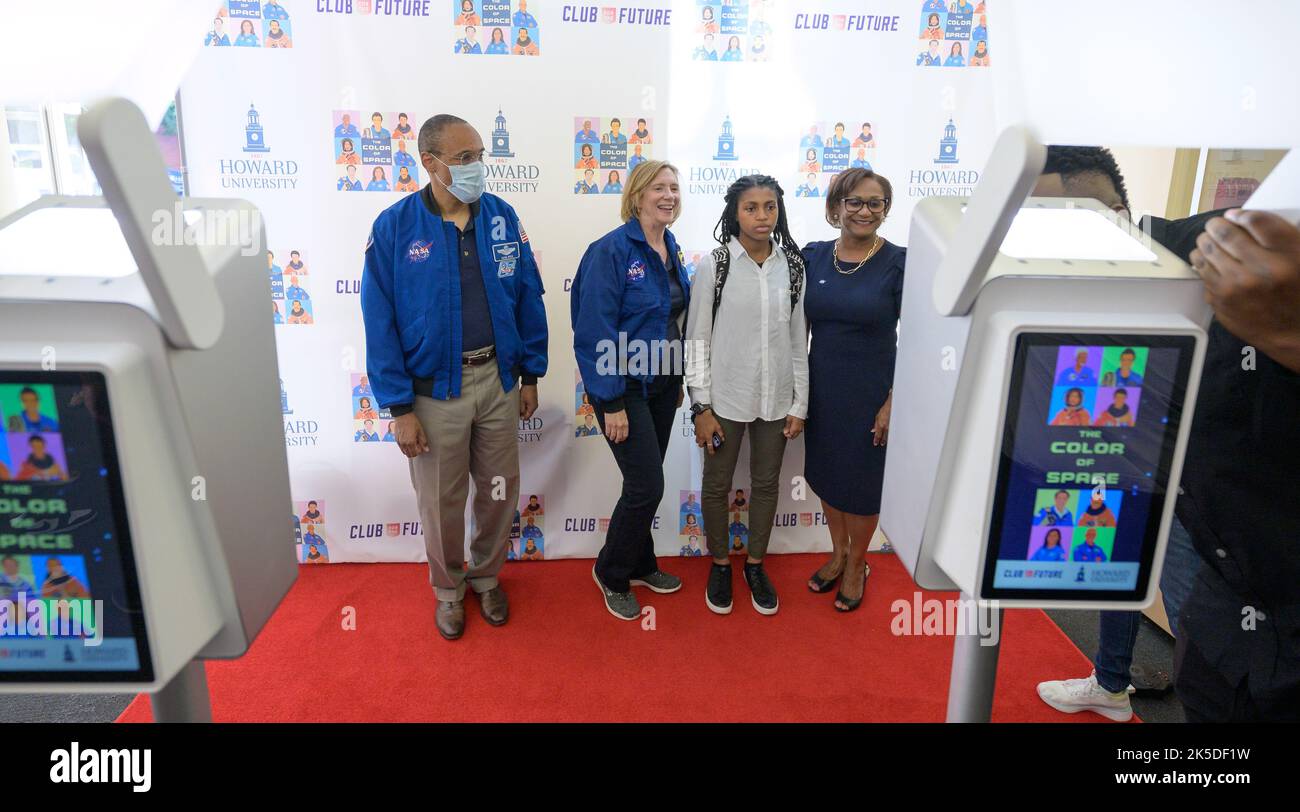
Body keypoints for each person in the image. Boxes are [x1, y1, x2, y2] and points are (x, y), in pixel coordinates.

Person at [1028, 147, 1222, 722]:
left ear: (1110, 210)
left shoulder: (1200, 244)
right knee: (1115, 579)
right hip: (1125, 467)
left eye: (1051, 220)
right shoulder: (1072, 282)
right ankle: (1110, 685)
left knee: (1205, 641)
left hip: (1202, 494)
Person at [360, 114, 548, 641]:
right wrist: (400, 408)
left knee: (497, 491)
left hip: (497, 380)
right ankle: (448, 589)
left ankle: (486, 577)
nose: (476, 167)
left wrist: (530, 373)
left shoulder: (501, 217)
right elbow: (380, 324)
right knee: (441, 501)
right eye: (464, 159)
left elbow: (528, 296)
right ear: (431, 163)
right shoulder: (395, 228)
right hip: (433, 393)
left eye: (480, 155)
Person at [685, 175, 808, 616]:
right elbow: (696, 339)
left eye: (769, 207)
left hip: (776, 400)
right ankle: (720, 564)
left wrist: (800, 403)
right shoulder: (714, 265)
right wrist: (700, 405)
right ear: (734, 213)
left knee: (766, 484)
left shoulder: (792, 266)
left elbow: (798, 341)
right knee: (717, 485)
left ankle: (755, 565)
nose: (762, 216)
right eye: (751, 207)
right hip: (724, 400)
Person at [572, 160, 689, 620]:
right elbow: (594, 329)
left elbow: (671, 320)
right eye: (659, 188)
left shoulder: (670, 246)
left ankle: (642, 562)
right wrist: (612, 400)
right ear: (637, 196)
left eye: (675, 188)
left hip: (662, 384)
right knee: (646, 485)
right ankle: (612, 572)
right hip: (624, 389)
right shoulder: (611, 251)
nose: (669, 195)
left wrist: (677, 379)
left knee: (645, 483)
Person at [802, 168, 904, 612]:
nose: (865, 210)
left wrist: (893, 402)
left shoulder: (901, 262)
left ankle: (857, 563)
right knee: (828, 477)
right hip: (822, 389)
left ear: (885, 210)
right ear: (836, 206)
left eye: (875, 203)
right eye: (855, 201)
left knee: (862, 486)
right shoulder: (813, 256)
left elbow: (921, 338)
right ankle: (839, 552)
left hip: (871, 394)